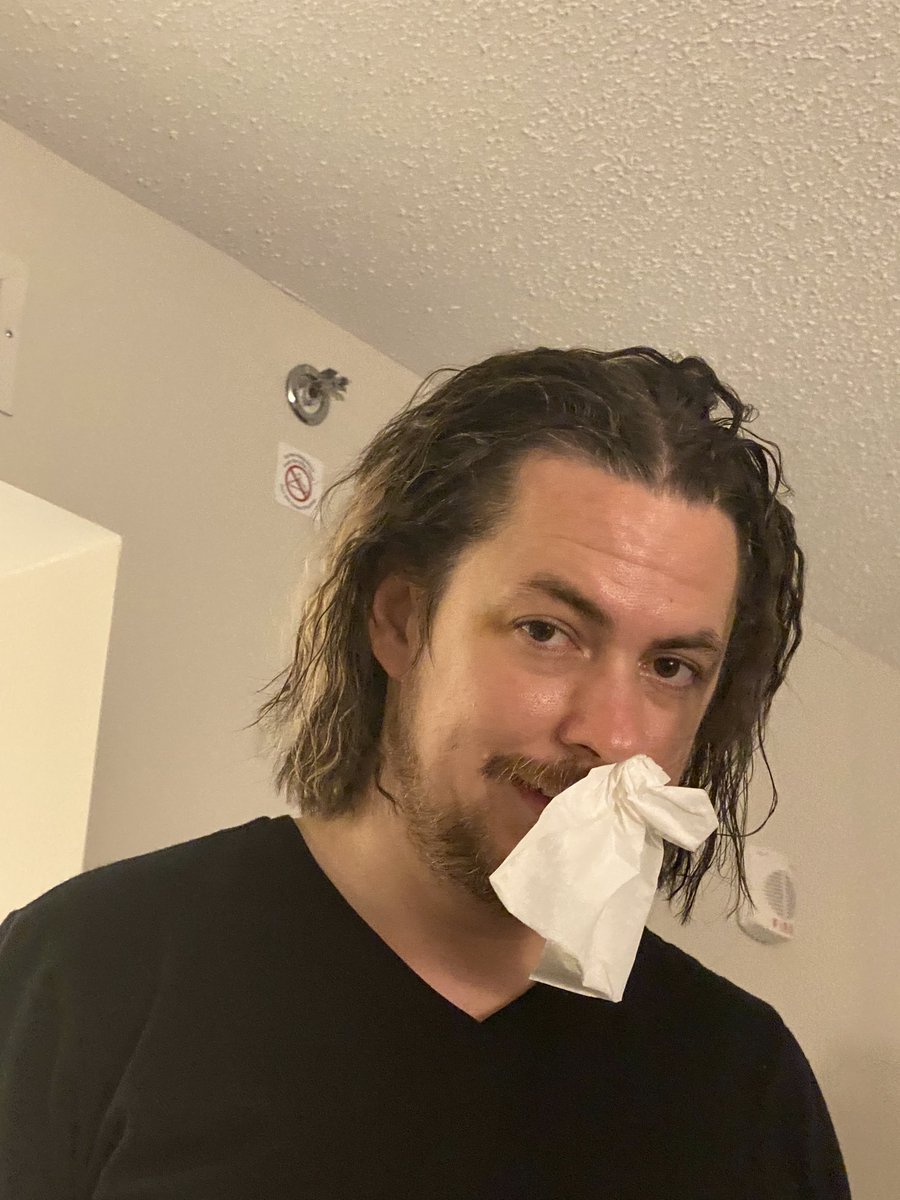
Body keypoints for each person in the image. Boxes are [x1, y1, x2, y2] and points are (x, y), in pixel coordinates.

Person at [0, 347, 850, 1198]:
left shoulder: (748, 1087)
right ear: (402, 621)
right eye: (547, 631)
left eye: (670, 668)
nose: (613, 736)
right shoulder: (86, 970)